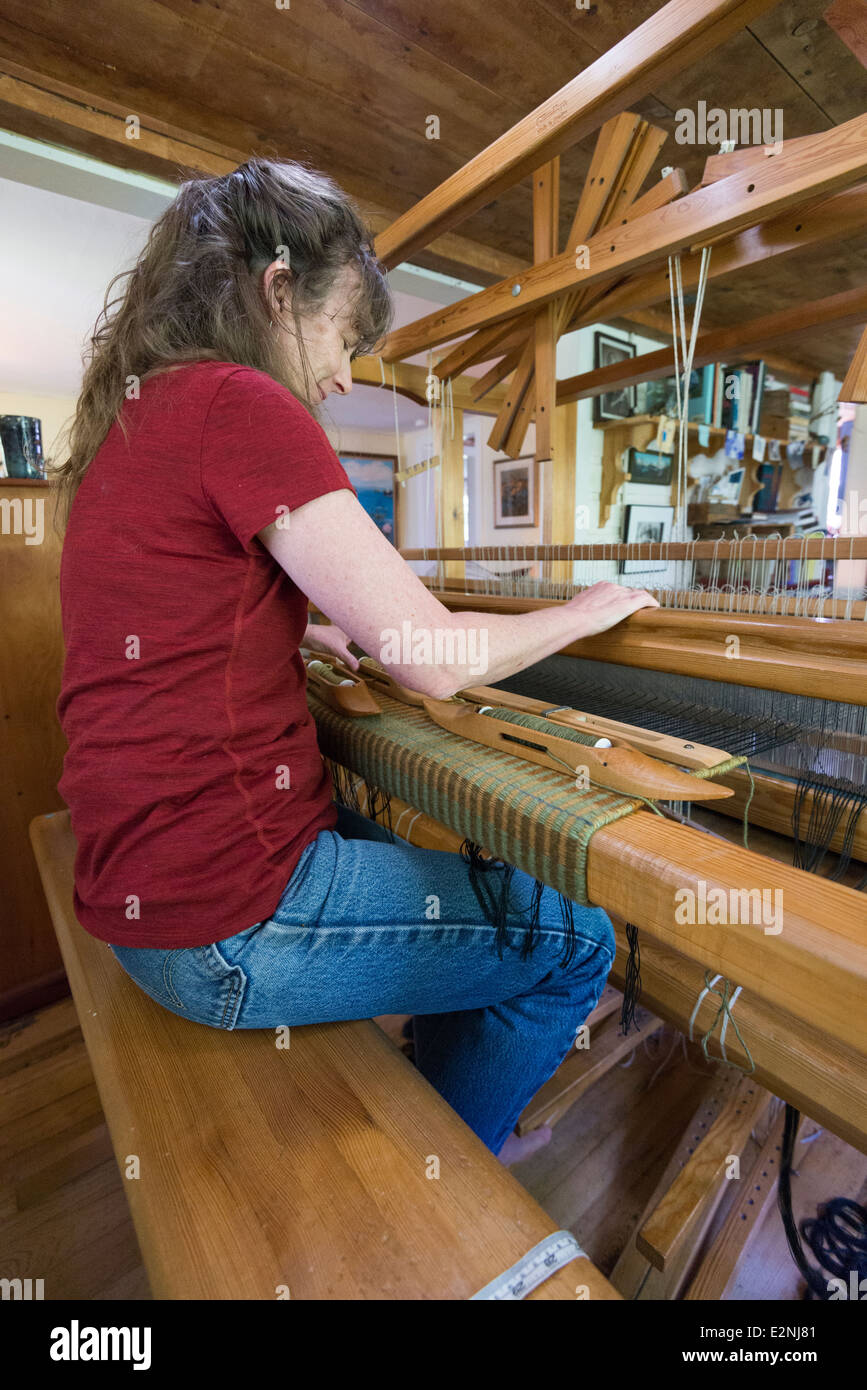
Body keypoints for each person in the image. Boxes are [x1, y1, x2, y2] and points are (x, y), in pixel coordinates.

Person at [54, 157, 659, 1165]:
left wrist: (295, 631)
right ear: (277, 289)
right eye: (342, 336)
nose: (344, 376)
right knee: (575, 941)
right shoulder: (238, 402)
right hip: (223, 927)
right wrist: (585, 607)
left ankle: (444, 1087)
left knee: (449, 865)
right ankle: (459, 1171)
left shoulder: (134, 411)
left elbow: (176, 621)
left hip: (135, 885)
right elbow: (429, 659)